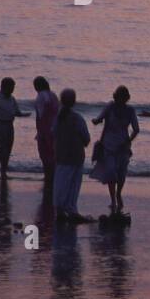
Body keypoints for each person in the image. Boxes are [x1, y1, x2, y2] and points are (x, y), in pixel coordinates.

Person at [90, 85, 141, 214]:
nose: (120, 100)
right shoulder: (110, 106)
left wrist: (128, 141)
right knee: (111, 171)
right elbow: (100, 118)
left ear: (126, 98)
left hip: (123, 145)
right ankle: (113, 199)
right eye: (118, 97)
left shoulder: (130, 110)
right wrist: (96, 121)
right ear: (115, 97)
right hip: (108, 144)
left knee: (121, 173)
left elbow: (136, 129)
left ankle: (119, 194)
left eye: (123, 98)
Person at [51, 88, 91, 224]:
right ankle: (72, 210)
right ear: (74, 102)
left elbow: (53, 134)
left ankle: (60, 210)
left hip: (61, 155)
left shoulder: (58, 118)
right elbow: (86, 138)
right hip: (75, 156)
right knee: (73, 185)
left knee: (60, 183)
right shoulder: (77, 118)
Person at [0, 77, 30, 178]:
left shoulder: (12, 99)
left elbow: (16, 112)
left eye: (13, 87)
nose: (13, 89)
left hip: (9, 125)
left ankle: (3, 172)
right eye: (11, 87)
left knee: (8, 150)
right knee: (1, 149)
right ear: (4, 87)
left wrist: (25, 115)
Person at [32, 76, 59, 184]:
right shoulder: (53, 95)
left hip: (45, 128)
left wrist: (40, 129)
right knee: (52, 153)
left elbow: (42, 113)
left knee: (44, 153)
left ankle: (48, 175)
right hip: (54, 128)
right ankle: (52, 175)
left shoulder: (41, 95)